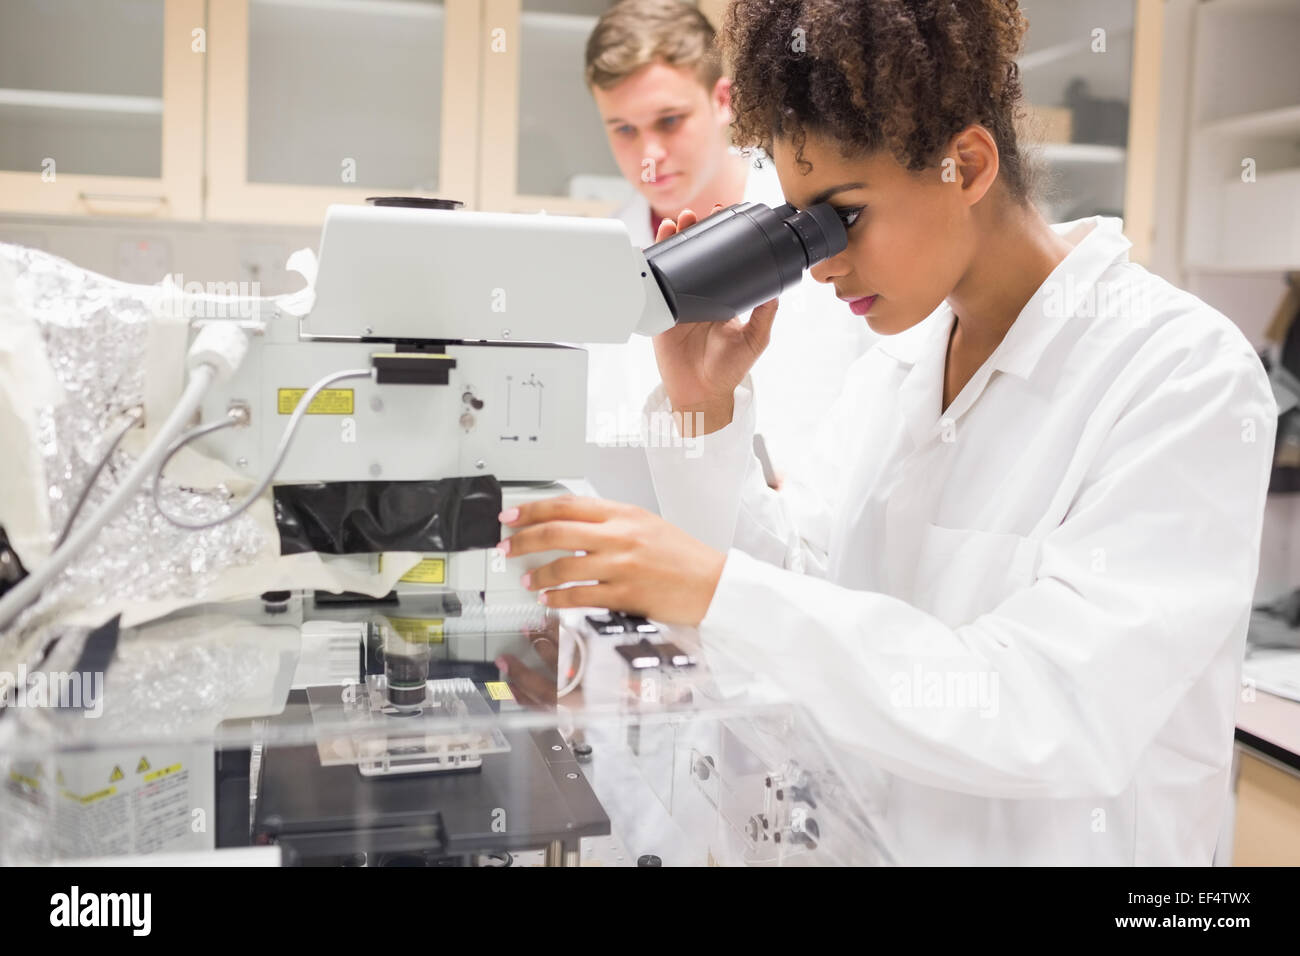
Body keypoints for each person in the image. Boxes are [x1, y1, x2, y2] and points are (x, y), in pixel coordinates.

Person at [498, 0, 1276, 865]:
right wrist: (704, 410)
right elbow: (802, 582)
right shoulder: (898, 371)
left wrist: (712, 587)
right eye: (800, 222)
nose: (821, 261)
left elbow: (1051, 710)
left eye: (843, 213)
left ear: (966, 163)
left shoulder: (1180, 373)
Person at [581, 0, 875, 476]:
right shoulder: (597, 267)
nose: (649, 153)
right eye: (624, 129)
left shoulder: (824, 222)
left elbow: (879, 410)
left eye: (669, 121)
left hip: (817, 535)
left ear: (723, 101)